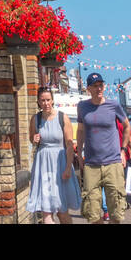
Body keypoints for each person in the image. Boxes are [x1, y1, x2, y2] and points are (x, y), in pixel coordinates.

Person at [75, 73, 131, 224]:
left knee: (116, 210)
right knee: (92, 212)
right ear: (88, 88)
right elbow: (80, 130)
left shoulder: (113, 105)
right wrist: (79, 153)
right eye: (95, 86)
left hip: (113, 163)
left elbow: (127, 126)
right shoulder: (82, 107)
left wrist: (123, 150)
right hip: (91, 164)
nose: (99, 88)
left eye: (101, 85)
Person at [27, 88, 80, 223]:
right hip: (43, 165)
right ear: (38, 102)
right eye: (43, 100)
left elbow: (69, 145)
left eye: (48, 100)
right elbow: (31, 138)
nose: (46, 103)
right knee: (47, 212)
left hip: (60, 164)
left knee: (62, 211)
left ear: (52, 100)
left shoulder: (63, 117)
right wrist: (34, 139)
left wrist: (68, 168)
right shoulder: (36, 119)